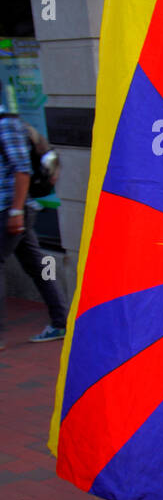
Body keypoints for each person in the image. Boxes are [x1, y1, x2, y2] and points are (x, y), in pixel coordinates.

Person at [0, 99, 67, 347]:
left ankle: (60, 321)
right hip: (15, 210)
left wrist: (16, 211)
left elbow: (22, 170)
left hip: (10, 209)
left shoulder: (6, 125)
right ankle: (60, 321)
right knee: (40, 268)